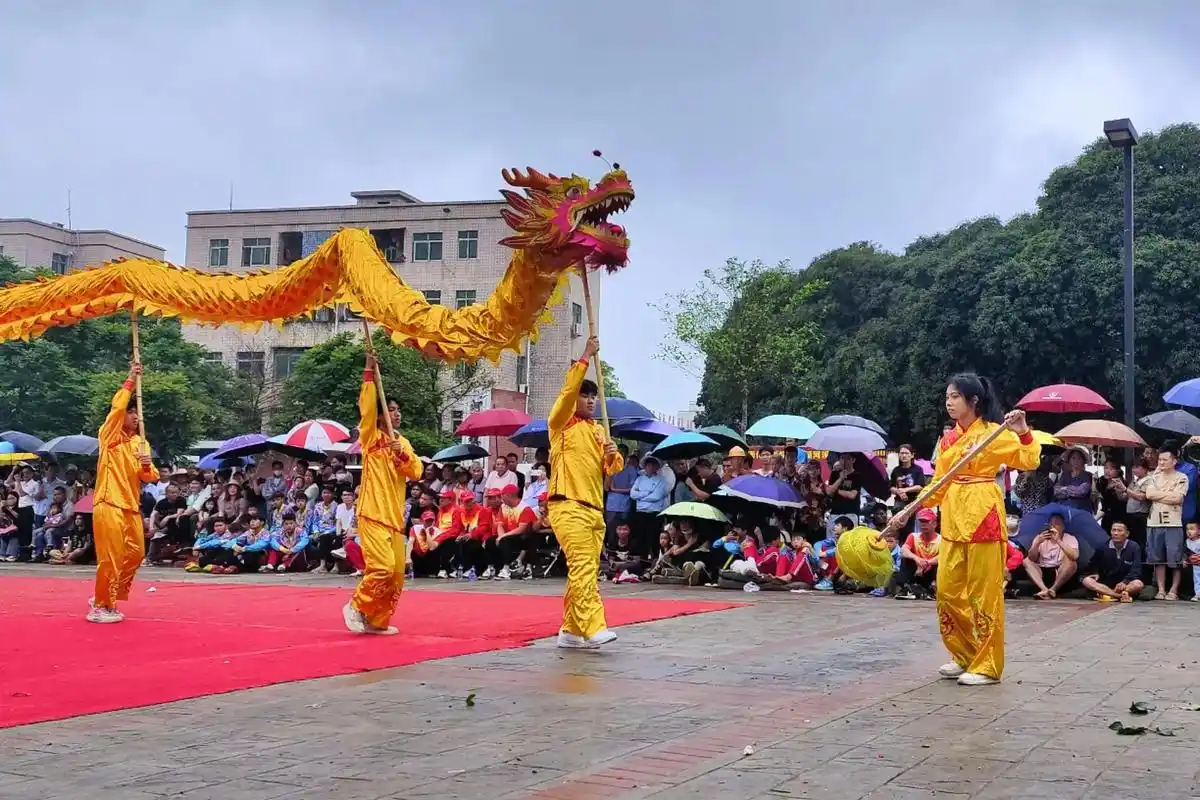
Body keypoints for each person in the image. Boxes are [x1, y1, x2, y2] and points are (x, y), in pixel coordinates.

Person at [889, 373, 1039, 687]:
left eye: (955, 396)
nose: (949, 402)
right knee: (947, 592)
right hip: (954, 519)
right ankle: (965, 653)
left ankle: (987, 665)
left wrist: (1023, 431)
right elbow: (939, 485)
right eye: (948, 396)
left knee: (984, 596)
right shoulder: (948, 440)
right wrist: (908, 511)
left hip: (984, 516)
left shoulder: (994, 433)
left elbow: (1029, 461)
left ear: (973, 401)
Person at [546, 336, 623, 649]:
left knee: (587, 570)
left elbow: (612, 470)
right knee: (582, 567)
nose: (590, 401)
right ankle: (593, 625)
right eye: (585, 395)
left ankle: (571, 629)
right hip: (568, 505)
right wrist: (585, 358)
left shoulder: (597, 430)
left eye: (593, 396)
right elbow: (566, 394)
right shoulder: (561, 423)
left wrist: (612, 453)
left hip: (593, 508)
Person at [341, 353, 421, 635]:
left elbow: (417, 472)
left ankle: (377, 620)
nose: (396, 413)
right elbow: (365, 408)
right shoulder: (371, 436)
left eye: (398, 409)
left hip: (395, 516)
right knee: (382, 568)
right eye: (391, 408)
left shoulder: (403, 442)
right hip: (373, 512)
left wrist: (403, 457)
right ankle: (357, 606)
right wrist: (368, 371)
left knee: (396, 576)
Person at [89, 363, 160, 623]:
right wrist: (130, 380)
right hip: (108, 502)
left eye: (137, 415)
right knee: (111, 556)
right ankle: (100, 605)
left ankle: (107, 595)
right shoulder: (108, 436)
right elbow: (117, 409)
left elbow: (151, 476)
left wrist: (144, 462)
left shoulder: (140, 442)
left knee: (135, 554)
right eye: (132, 414)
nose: (135, 417)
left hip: (130, 505)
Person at [1144, 445, 1189, 600]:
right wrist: (1167, 494)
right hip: (1154, 522)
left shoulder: (1181, 477)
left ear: (1174, 461)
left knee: (1175, 558)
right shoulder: (1153, 477)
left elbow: (1178, 498)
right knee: (1158, 559)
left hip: (1173, 523)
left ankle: (1174, 590)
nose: (1161, 462)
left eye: (1165, 459)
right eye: (1160, 460)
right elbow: (1149, 495)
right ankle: (1161, 589)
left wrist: (1159, 495)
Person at [1081, 520, 1144, 602]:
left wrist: (1124, 582)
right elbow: (1092, 564)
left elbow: (1136, 569)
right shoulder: (1102, 547)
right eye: (1113, 530)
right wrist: (1095, 572)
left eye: (1119, 530)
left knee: (1138, 584)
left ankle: (1111, 595)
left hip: (1125, 584)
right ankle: (1118, 596)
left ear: (1127, 534)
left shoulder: (1134, 547)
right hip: (1105, 584)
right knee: (1087, 581)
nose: (1116, 533)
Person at [1022, 512, 1080, 599]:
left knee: (1072, 562)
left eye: (1057, 524)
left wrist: (1058, 540)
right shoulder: (1040, 537)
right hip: (1042, 571)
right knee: (1026, 561)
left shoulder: (1070, 538)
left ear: (1063, 527)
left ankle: (1053, 590)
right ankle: (1044, 590)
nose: (1053, 526)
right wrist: (1036, 543)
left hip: (1060, 573)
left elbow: (1075, 556)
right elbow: (1032, 558)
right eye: (1051, 524)